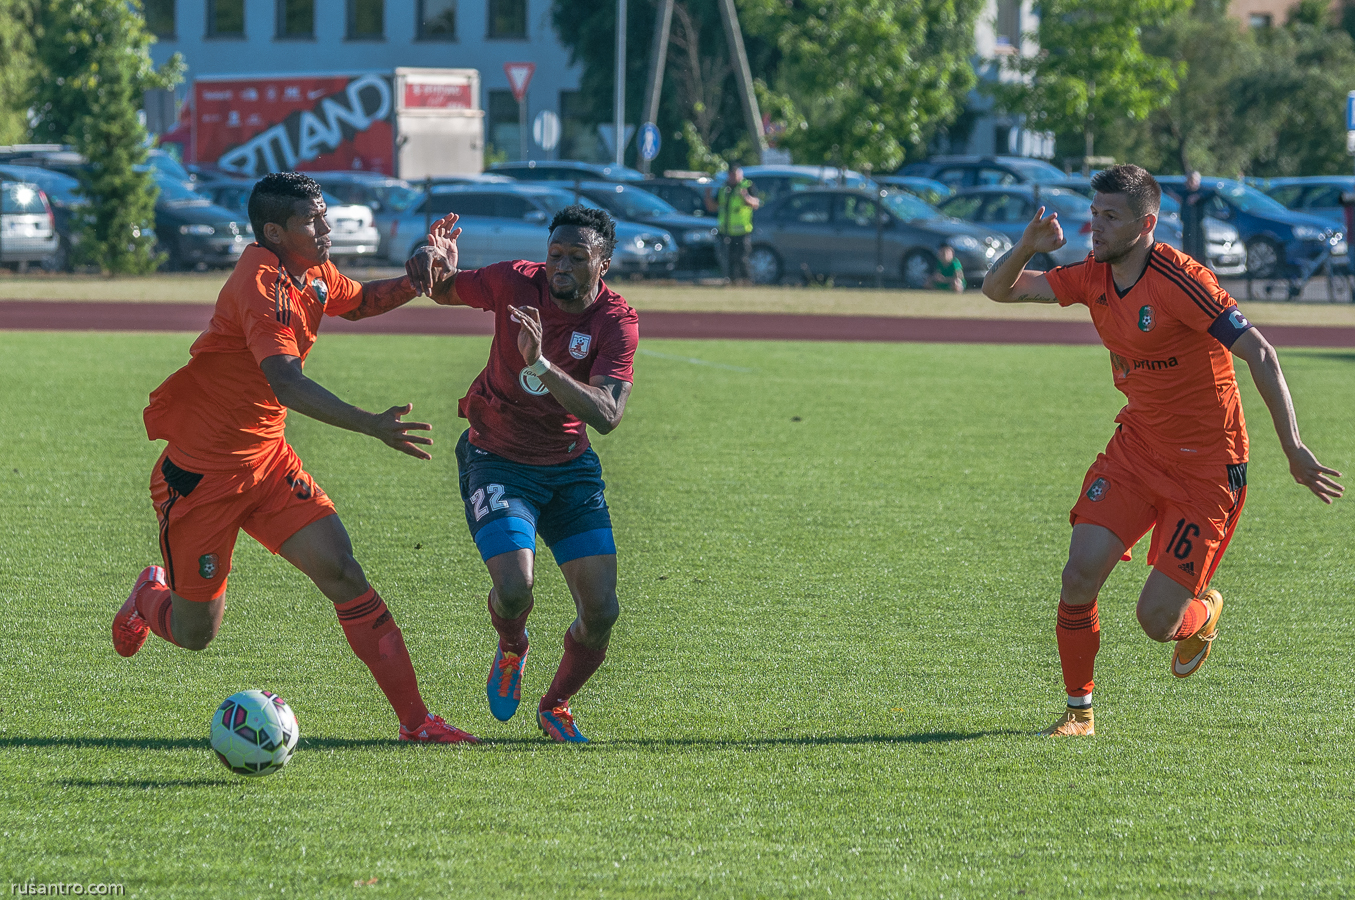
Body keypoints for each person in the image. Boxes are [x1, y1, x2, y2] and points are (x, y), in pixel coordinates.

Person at [112, 171, 478, 745]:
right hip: (202, 479)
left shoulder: (307, 271)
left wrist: (419, 272)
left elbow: (358, 302)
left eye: (325, 215)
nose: (328, 227)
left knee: (343, 571)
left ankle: (417, 723)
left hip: (269, 464)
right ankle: (147, 595)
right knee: (195, 634)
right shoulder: (260, 282)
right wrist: (369, 423)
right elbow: (285, 382)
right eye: (314, 221)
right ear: (276, 231)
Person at [981, 164, 1343, 737]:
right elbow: (998, 289)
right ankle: (1079, 714)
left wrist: (1294, 450)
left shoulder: (1181, 280)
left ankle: (1202, 614)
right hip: (1136, 451)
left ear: (1146, 224)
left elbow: (1262, 354)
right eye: (1093, 213)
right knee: (1078, 578)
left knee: (1155, 620)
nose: (1094, 227)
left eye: (1110, 217)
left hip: (1208, 470)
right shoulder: (1091, 275)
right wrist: (1028, 244)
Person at [408, 205, 638, 743]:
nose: (560, 265)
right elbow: (440, 289)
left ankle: (555, 705)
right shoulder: (515, 281)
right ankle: (512, 648)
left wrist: (541, 366)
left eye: (577, 258)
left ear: (603, 263)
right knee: (514, 589)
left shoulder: (616, 320)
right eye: (555, 253)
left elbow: (606, 415)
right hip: (498, 459)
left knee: (602, 611)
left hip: (570, 471)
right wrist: (429, 258)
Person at [706, 165, 760, 284]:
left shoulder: (747, 186)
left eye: (735, 175)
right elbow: (713, 207)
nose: (732, 178)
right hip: (726, 231)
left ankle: (746, 282)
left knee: (742, 259)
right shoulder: (724, 189)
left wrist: (745, 196)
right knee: (727, 259)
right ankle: (731, 282)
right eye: (730, 175)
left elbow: (755, 204)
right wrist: (708, 196)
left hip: (742, 231)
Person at [1179, 170, 1207, 266]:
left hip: (1198, 225)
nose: (1190, 183)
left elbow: (1214, 192)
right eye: (1188, 180)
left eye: (1192, 180)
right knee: (1187, 250)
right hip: (1187, 225)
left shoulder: (1202, 192)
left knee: (1199, 251)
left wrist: (1198, 197)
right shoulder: (1185, 193)